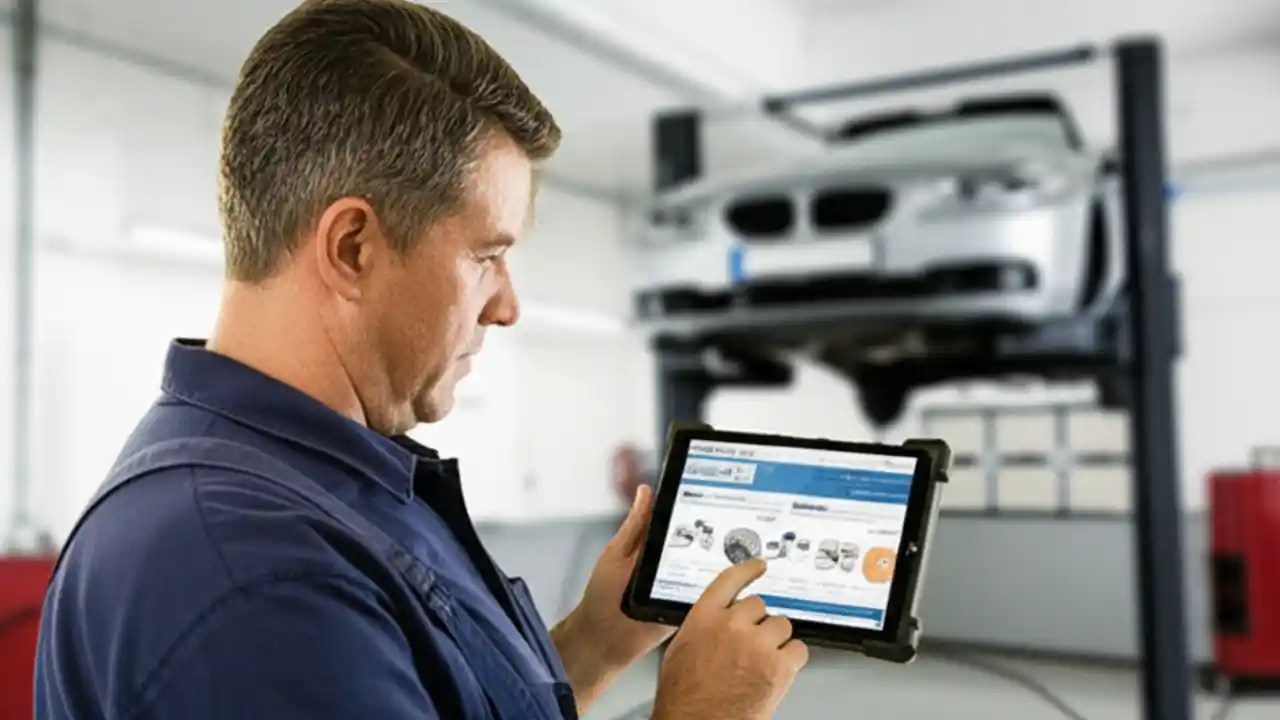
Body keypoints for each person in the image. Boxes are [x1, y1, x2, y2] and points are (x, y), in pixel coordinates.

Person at [33, 1, 809, 718]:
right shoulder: (255, 575)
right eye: (485, 256)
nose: (506, 306)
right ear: (353, 248)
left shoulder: (324, 484)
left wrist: (597, 642)